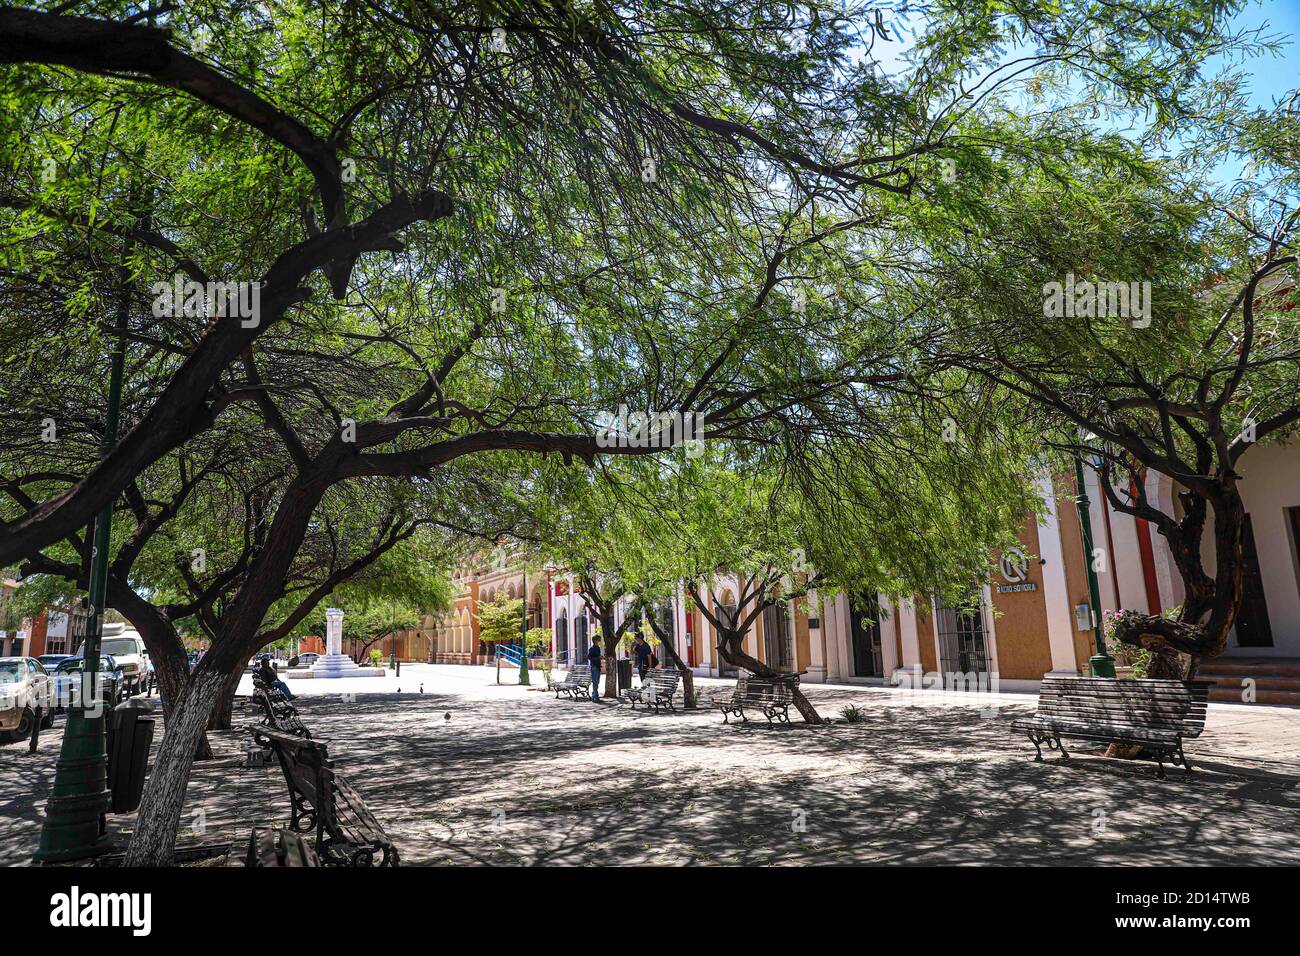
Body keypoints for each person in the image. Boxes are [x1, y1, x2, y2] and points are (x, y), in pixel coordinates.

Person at [586, 636, 602, 701]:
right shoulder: (592, 649)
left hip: (598, 666)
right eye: (599, 640)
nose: (599, 641)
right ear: (595, 640)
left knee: (597, 682)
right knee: (595, 682)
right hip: (594, 667)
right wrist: (598, 658)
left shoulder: (598, 648)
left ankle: (594, 695)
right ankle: (595, 697)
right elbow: (590, 658)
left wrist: (600, 658)